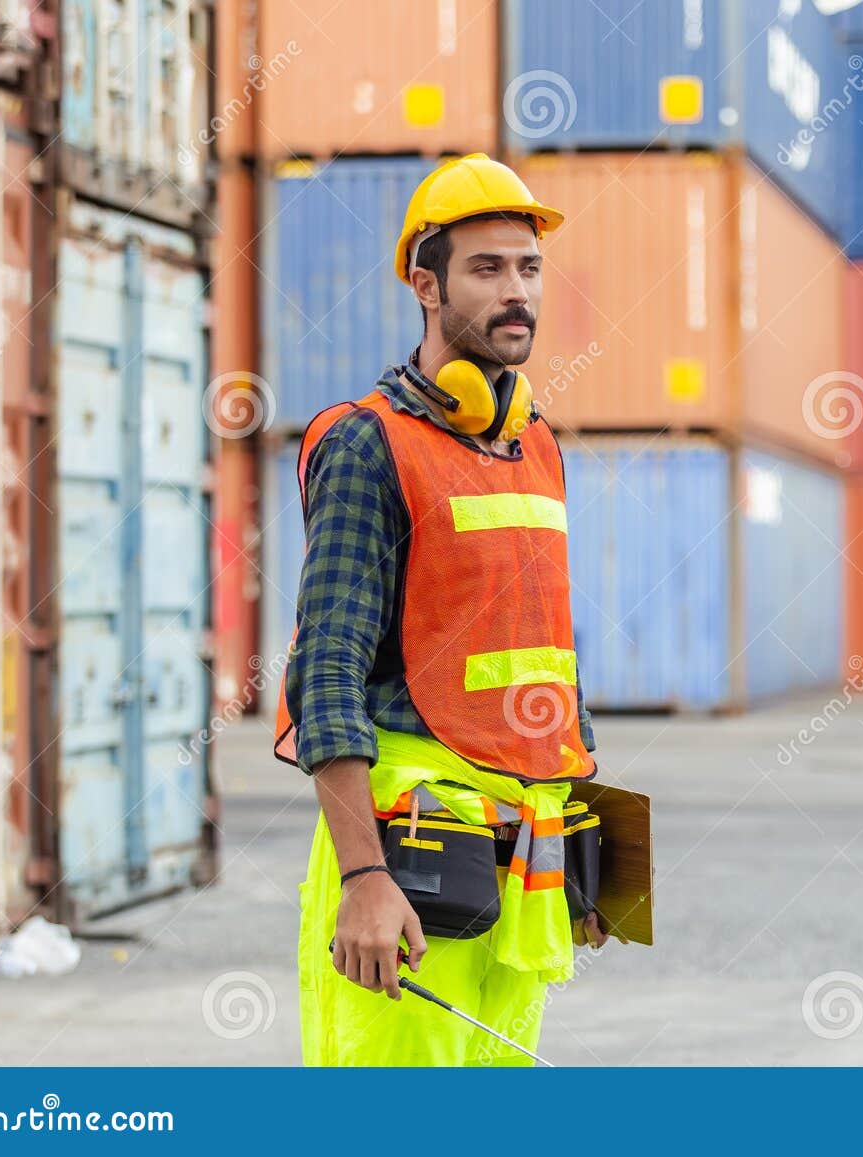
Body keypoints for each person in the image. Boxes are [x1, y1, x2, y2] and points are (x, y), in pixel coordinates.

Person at [273, 154, 605, 1066]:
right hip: (414, 862)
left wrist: (586, 846)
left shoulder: (537, 445)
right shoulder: (367, 444)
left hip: (526, 864)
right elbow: (325, 672)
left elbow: (549, 653)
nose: (516, 291)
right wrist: (364, 877)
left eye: (528, 268)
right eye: (486, 268)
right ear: (426, 284)